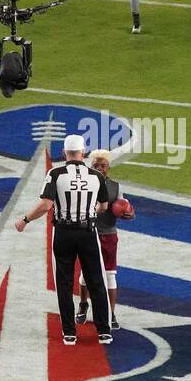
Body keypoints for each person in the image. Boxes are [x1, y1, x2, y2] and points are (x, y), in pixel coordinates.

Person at [15, 134, 113, 346]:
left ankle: (69, 332)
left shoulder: (56, 173)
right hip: (88, 232)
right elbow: (104, 206)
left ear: (64, 153)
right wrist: (88, 213)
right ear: (83, 153)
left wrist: (25, 219)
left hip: (64, 233)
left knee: (64, 283)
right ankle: (104, 331)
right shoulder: (96, 176)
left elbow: (45, 206)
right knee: (96, 281)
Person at [76, 149, 133, 330]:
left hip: (109, 235)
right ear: (90, 166)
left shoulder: (116, 186)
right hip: (89, 234)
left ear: (108, 167)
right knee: (86, 274)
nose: (100, 168)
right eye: (96, 165)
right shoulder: (83, 184)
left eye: (103, 165)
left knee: (110, 276)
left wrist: (128, 213)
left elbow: (125, 207)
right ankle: (83, 304)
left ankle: (111, 312)